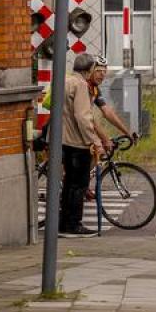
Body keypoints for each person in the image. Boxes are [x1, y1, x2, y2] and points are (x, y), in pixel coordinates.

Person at [58, 54, 106, 236]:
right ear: (89, 70)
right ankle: (73, 224)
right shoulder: (80, 85)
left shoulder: (65, 81)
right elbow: (83, 117)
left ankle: (63, 223)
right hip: (78, 143)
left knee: (69, 183)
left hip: (63, 140)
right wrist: (94, 142)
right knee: (79, 185)